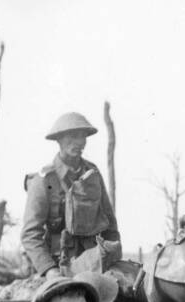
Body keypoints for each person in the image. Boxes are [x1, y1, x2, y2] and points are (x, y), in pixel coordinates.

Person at [22, 112, 119, 278]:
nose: (80, 142)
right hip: (58, 264)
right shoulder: (44, 180)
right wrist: (49, 269)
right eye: (73, 136)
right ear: (59, 140)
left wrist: (113, 256)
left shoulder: (92, 173)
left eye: (83, 137)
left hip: (95, 263)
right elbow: (30, 234)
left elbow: (110, 224)